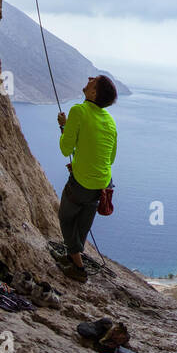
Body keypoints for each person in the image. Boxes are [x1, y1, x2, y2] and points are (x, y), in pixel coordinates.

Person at [55, 75, 119, 282]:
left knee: (66, 218)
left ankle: (78, 267)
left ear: (94, 93)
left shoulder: (78, 111)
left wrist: (64, 127)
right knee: (83, 224)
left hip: (82, 183)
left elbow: (66, 149)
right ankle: (73, 256)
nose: (90, 78)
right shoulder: (109, 120)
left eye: (95, 80)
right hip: (103, 184)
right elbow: (111, 157)